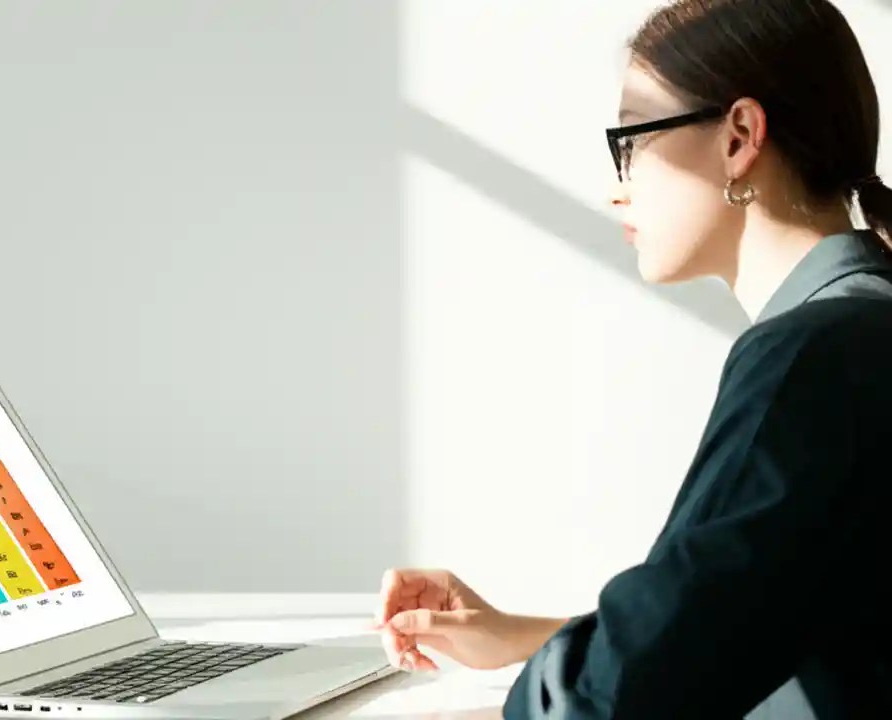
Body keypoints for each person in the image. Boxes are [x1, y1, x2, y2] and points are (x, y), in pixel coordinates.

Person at [375, 1, 892, 718]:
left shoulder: (814, 357)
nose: (617, 184)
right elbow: (746, 630)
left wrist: (539, 689)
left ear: (740, 136)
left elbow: (634, 693)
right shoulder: (864, 324)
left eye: (632, 141)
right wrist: (525, 638)